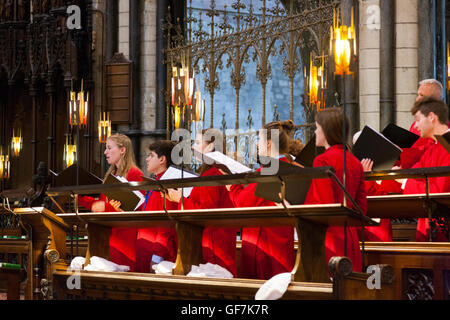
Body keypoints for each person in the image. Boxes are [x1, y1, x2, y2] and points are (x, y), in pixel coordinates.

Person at [226, 120, 298, 280]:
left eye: (259, 139)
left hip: (264, 242)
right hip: (280, 239)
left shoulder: (269, 169)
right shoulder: (290, 165)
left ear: (269, 143)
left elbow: (241, 203)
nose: (257, 144)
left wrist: (232, 186)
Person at [166, 129, 238, 277]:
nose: (193, 147)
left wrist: (180, 199)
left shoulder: (212, 174)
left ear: (211, 147)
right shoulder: (208, 173)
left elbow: (205, 211)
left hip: (215, 242)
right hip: (209, 239)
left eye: (198, 143)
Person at [304, 108, 367, 272]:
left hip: (329, 237)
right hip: (351, 236)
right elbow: (362, 207)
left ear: (326, 131)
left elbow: (323, 205)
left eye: (317, 128)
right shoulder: (355, 162)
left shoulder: (322, 160)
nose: (315, 132)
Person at [77, 133, 144, 271]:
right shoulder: (112, 174)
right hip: (109, 234)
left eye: (109, 148)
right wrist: (79, 198)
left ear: (122, 150)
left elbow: (135, 208)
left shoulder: (134, 174)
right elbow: (103, 204)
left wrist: (105, 206)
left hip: (125, 238)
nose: (105, 152)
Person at [401, 97, 450, 241]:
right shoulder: (432, 149)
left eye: (418, 119)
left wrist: (404, 182)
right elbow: (413, 173)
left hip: (443, 225)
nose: (415, 126)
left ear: (431, 117)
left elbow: (439, 192)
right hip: (429, 221)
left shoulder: (447, 146)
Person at [134, 140, 179, 273]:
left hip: (156, 251)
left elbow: (166, 224)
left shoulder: (167, 184)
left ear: (162, 159)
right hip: (145, 245)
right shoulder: (156, 182)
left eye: (151, 155)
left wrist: (157, 255)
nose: (147, 159)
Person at [401, 79, 444, 169]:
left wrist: (402, 152)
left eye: (422, 95)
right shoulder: (415, 125)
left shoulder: (441, 125)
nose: (417, 99)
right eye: (418, 95)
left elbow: (431, 153)